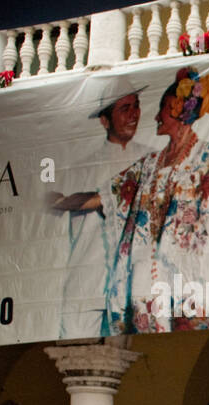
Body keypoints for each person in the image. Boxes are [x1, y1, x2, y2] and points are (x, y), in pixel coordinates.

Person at [65, 68, 209, 333]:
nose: (154, 116)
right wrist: (60, 201)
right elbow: (105, 197)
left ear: (178, 110)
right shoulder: (149, 166)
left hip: (193, 283)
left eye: (161, 108)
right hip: (147, 284)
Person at [48, 79, 153, 338]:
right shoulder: (81, 167)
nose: (133, 114)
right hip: (86, 277)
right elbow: (52, 200)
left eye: (136, 106)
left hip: (134, 282)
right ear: (105, 121)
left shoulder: (152, 159)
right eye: (124, 108)